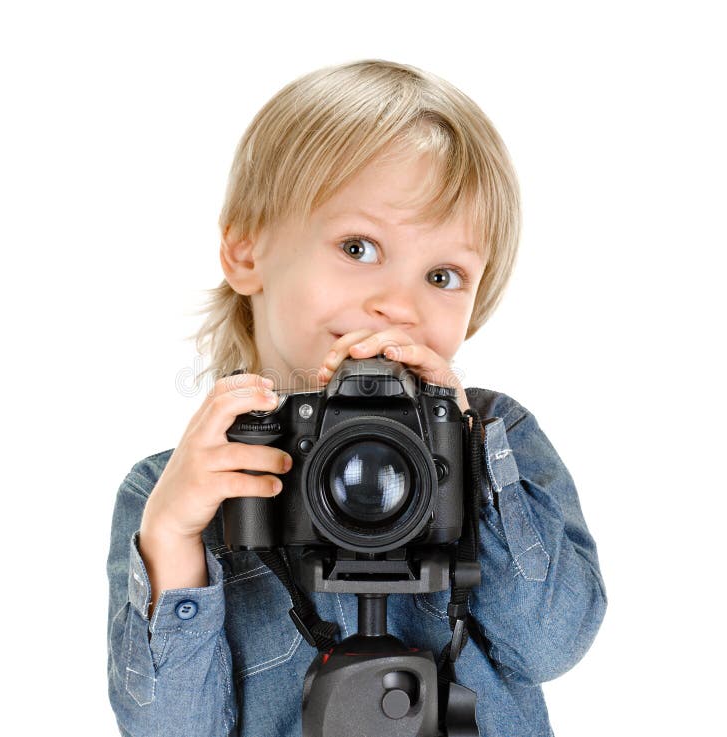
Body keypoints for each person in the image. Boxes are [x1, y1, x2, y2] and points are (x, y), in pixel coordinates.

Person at [106, 59, 607, 737]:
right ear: (246, 251)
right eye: (358, 245)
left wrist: (466, 455)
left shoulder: (494, 435)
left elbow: (553, 642)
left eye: (442, 273)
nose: (398, 303)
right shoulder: (178, 490)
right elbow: (174, 730)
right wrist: (172, 539)